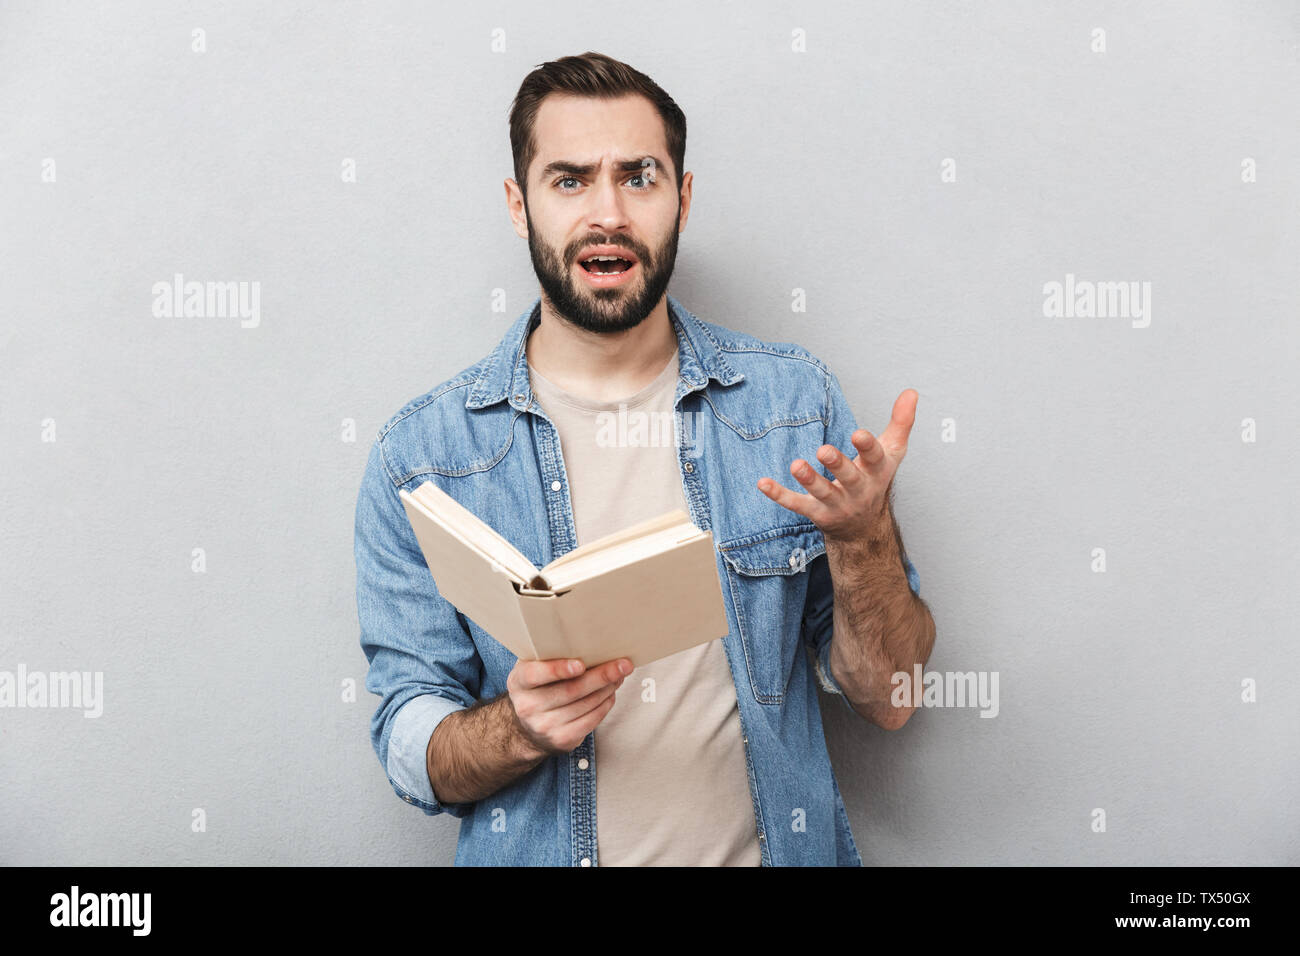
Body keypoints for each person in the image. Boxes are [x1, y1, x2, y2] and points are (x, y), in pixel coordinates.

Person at [354, 51, 936, 866]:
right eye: (569, 181)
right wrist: (516, 729)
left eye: (639, 176)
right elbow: (407, 744)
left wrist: (865, 539)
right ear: (519, 207)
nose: (608, 213)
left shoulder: (793, 407)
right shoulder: (421, 460)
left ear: (683, 199)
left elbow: (890, 700)